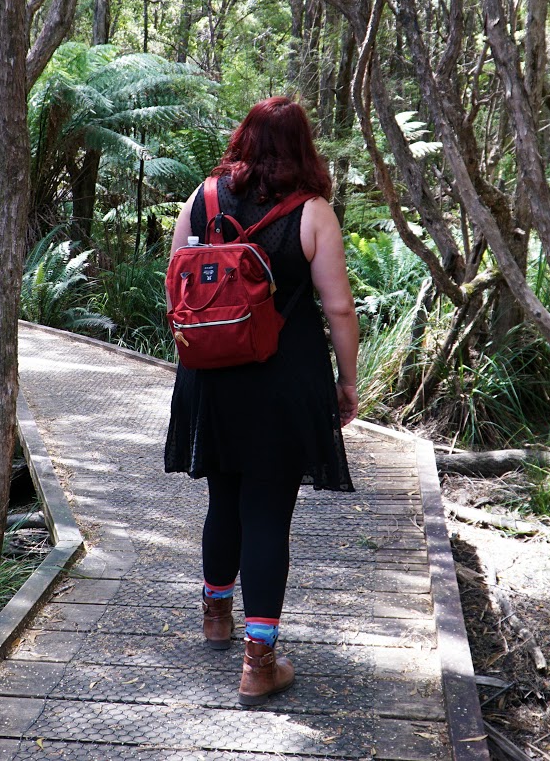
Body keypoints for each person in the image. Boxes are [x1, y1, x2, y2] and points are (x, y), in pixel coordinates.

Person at [163, 95, 359, 707]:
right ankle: (259, 663)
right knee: (268, 513)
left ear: (242, 139)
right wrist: (347, 381)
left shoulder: (203, 198)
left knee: (223, 498)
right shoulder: (313, 213)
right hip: (282, 381)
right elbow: (339, 309)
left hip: (211, 376)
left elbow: (176, 280)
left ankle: (216, 616)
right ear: (304, 149)